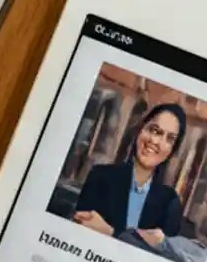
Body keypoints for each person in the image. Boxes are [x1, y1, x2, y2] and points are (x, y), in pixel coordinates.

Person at [72, 103, 186, 247]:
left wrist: (111, 233)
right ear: (140, 130)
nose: (156, 141)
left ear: (172, 150)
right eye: (154, 130)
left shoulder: (170, 202)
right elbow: (78, 237)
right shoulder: (100, 177)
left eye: (169, 138)